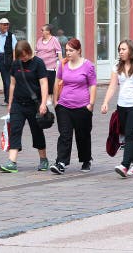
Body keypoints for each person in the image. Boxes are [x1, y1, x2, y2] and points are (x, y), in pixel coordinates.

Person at [0, 40, 50, 173]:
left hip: (34, 105)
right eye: (20, 56)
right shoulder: (16, 64)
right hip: (18, 104)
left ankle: (43, 159)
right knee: (15, 130)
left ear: (29, 51)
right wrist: (10, 103)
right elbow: (12, 84)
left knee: (37, 132)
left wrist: (43, 103)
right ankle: (12, 162)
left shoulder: (38, 63)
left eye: (25, 55)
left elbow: (44, 83)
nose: (23, 58)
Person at [101, 39, 133, 178]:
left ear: (131, 51)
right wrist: (105, 102)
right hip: (122, 105)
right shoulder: (117, 66)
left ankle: (125, 165)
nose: (121, 52)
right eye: (119, 49)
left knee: (130, 135)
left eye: (123, 49)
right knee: (129, 135)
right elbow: (113, 85)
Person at [50, 38, 97, 175]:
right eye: (67, 50)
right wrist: (55, 101)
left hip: (82, 106)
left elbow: (92, 85)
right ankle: (61, 162)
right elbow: (57, 81)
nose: (68, 53)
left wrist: (91, 104)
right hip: (64, 105)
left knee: (83, 135)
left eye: (71, 50)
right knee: (65, 134)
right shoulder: (63, 64)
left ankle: (86, 159)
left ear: (79, 51)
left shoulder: (88, 65)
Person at [35, 24, 62, 100]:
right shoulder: (39, 40)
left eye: (42, 30)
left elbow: (59, 54)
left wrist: (62, 66)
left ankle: (49, 98)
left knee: (49, 84)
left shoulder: (54, 40)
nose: (41, 31)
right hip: (40, 67)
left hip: (50, 67)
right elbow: (36, 53)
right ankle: (41, 98)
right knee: (39, 83)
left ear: (48, 31)